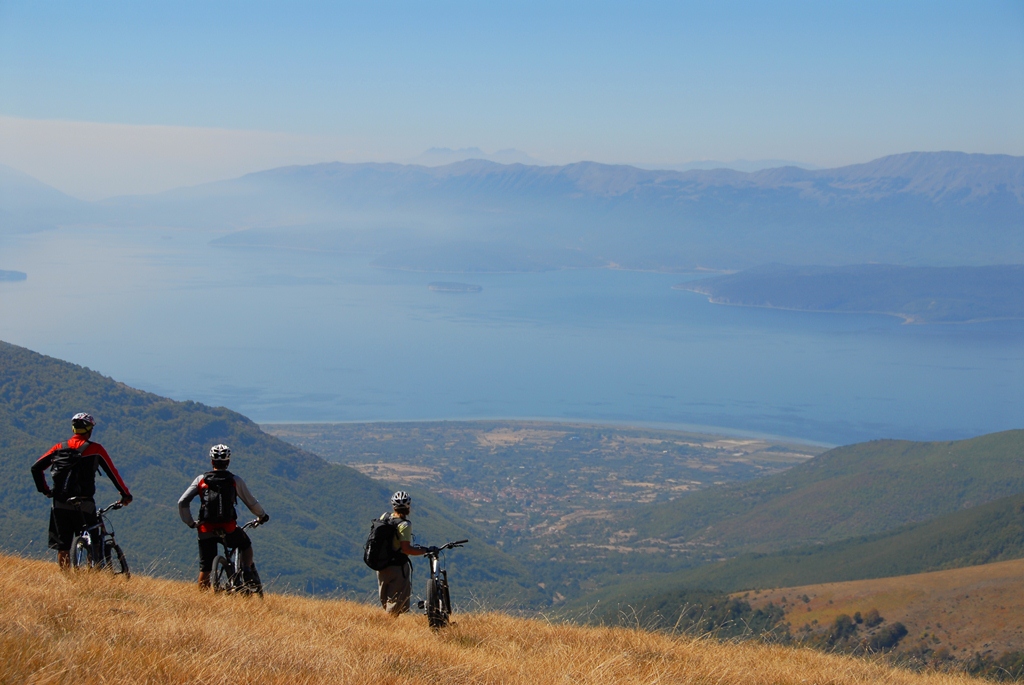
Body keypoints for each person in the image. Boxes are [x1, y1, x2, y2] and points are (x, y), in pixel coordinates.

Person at [30, 412, 133, 569]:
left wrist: (45, 490)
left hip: (60, 503)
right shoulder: (96, 449)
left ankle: (66, 578)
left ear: (73, 429)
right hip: (84, 503)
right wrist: (125, 494)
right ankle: (93, 573)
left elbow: (36, 468)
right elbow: (113, 474)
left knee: (63, 545)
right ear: (90, 429)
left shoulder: (59, 448)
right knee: (94, 540)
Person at [178, 444, 269, 590]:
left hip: (205, 529)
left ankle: (203, 600)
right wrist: (262, 515)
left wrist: (190, 522)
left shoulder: (201, 480)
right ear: (228, 462)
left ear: (212, 461)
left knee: (205, 568)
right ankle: (246, 571)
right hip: (229, 528)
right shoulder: (234, 480)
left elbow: (182, 502)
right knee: (245, 544)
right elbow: (251, 502)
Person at [376, 490, 433, 616]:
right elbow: (406, 549)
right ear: (408, 507)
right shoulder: (404, 525)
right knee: (395, 605)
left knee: (386, 601)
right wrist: (425, 550)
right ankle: (388, 631)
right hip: (397, 567)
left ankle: (385, 627)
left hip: (380, 565)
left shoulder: (384, 517)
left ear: (393, 506)